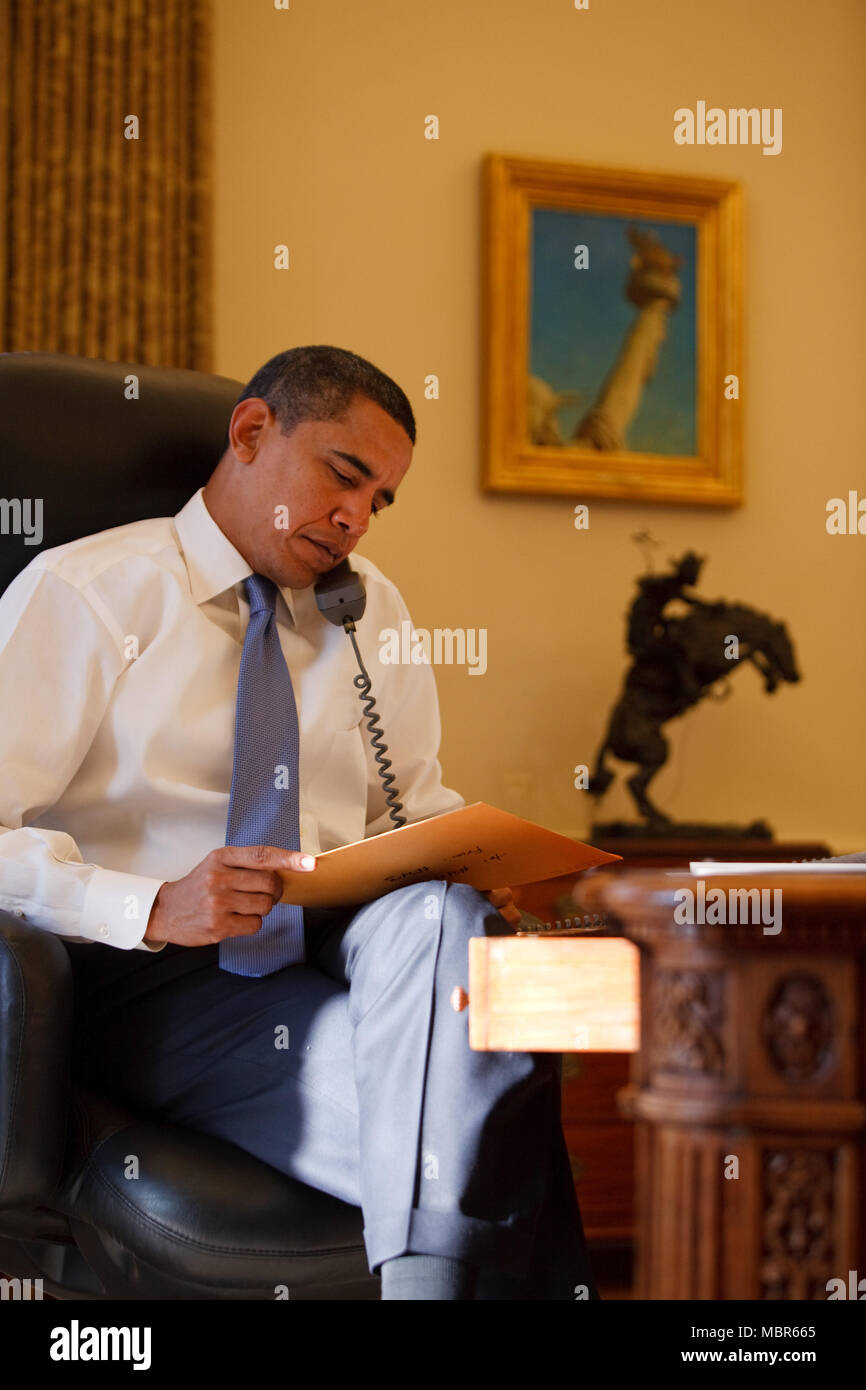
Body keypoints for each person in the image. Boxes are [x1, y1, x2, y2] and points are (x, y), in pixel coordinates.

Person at [0, 345, 597, 1300]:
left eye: (381, 500)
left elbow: (405, 805)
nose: (357, 519)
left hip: (348, 950)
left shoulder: (370, 611)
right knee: (481, 1113)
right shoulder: (87, 594)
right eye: (345, 475)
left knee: (449, 922)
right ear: (249, 433)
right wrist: (151, 902)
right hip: (158, 983)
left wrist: (502, 863)